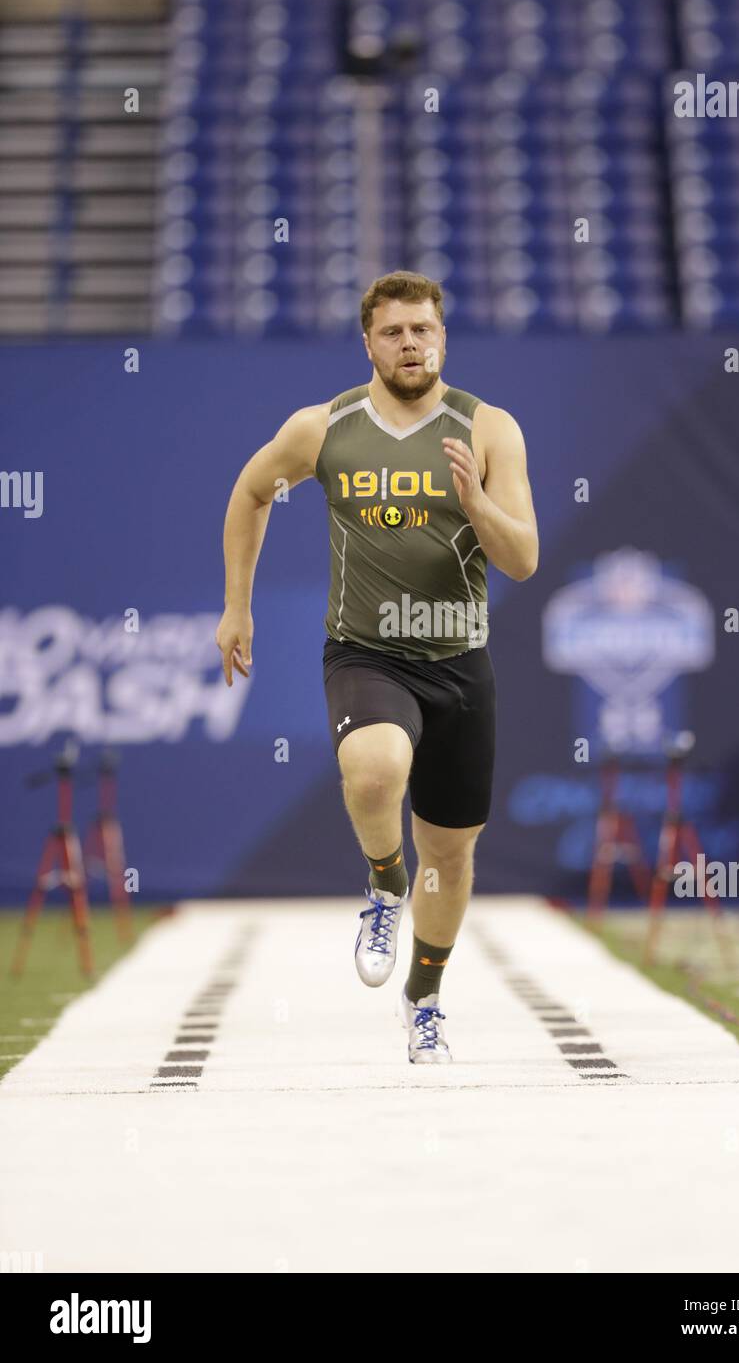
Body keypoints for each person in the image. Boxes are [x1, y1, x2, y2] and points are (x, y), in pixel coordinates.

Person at [216, 271, 539, 1062]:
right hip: (367, 651)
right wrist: (237, 606)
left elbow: (523, 558)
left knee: (453, 854)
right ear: (368, 343)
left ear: (442, 338)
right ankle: (384, 879)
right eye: (393, 332)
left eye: (422, 330)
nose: (409, 344)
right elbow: (251, 493)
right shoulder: (324, 428)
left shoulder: (488, 428)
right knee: (372, 769)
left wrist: (478, 503)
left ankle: (424, 998)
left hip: (460, 662)